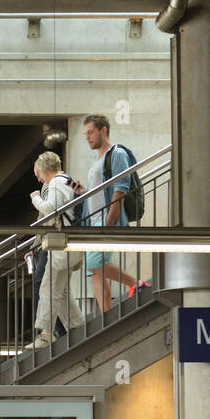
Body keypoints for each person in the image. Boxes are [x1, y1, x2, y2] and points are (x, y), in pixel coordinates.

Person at [80, 114, 148, 312]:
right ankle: (105, 315)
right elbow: (100, 192)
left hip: (106, 221)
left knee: (93, 264)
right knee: (94, 271)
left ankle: (136, 283)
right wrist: (83, 193)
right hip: (94, 222)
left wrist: (109, 223)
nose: (88, 137)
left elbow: (120, 189)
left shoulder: (117, 154)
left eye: (91, 132)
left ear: (104, 130)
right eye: (85, 134)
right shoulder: (96, 159)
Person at [26, 151, 85, 349]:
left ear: (44, 168)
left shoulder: (56, 183)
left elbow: (51, 210)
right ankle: (77, 327)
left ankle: (45, 334)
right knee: (61, 291)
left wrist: (35, 198)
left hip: (60, 245)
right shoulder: (66, 181)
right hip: (68, 245)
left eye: (38, 174)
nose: (38, 179)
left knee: (48, 288)